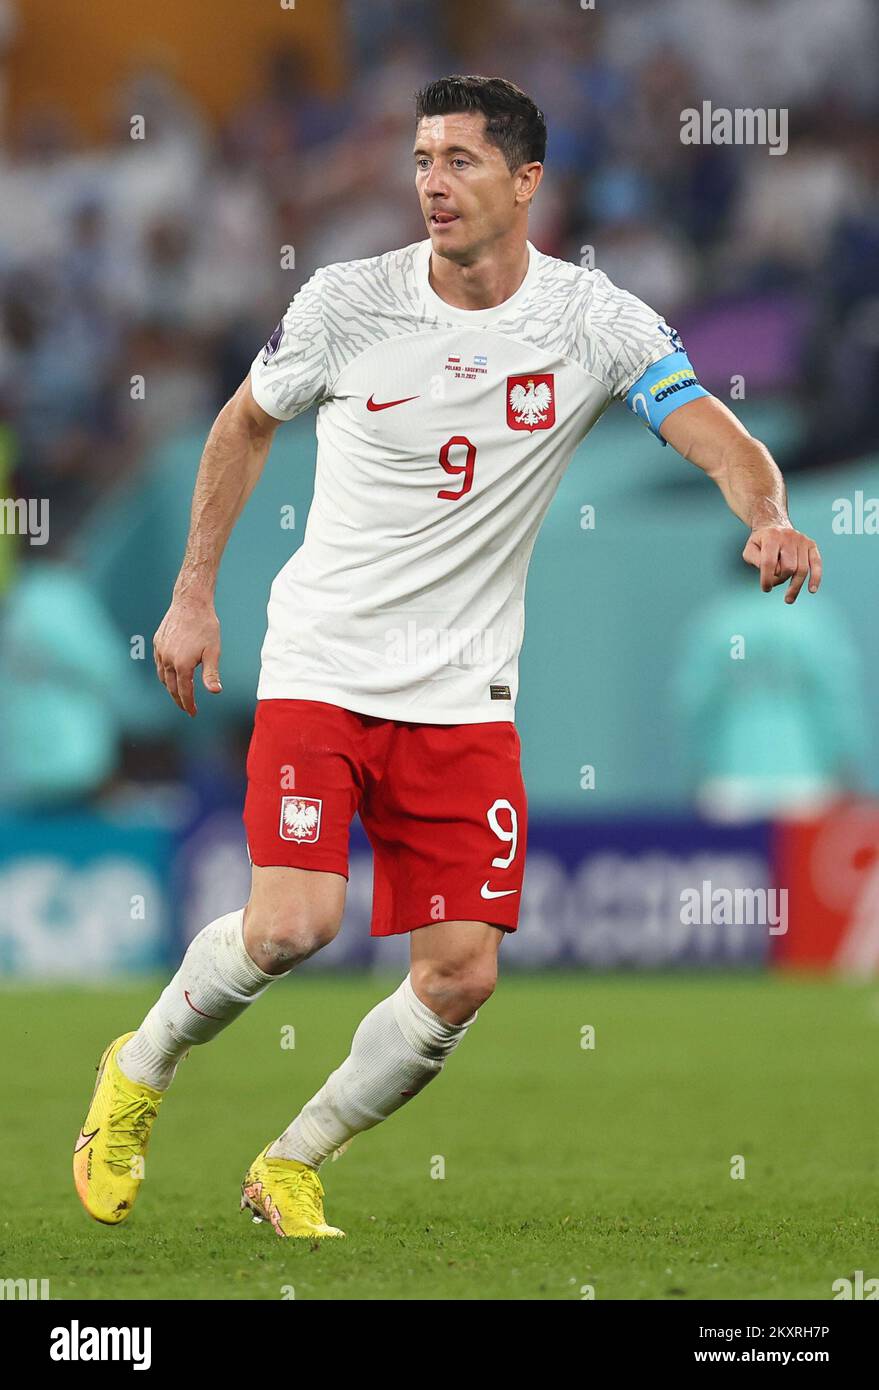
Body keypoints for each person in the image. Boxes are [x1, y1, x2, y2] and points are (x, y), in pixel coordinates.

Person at [74, 76, 822, 1238]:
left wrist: (765, 513)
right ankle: (139, 1067)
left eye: (461, 160)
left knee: (462, 974)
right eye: (423, 157)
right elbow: (244, 422)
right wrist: (191, 594)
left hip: (465, 697)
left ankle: (292, 1159)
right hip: (324, 665)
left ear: (527, 183)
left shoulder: (592, 320)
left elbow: (715, 432)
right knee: (290, 927)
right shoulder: (347, 301)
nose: (433, 180)